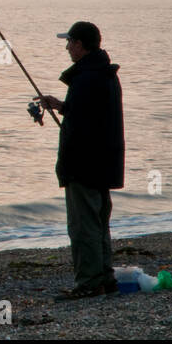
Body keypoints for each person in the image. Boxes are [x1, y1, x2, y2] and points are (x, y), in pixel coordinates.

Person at [38, 21, 125, 301]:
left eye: (70, 42)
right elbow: (88, 115)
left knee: (83, 226)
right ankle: (105, 278)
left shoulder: (86, 78)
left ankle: (89, 283)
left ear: (80, 44)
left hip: (84, 165)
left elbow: (83, 124)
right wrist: (61, 107)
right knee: (99, 223)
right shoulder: (104, 74)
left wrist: (68, 163)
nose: (66, 47)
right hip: (104, 162)